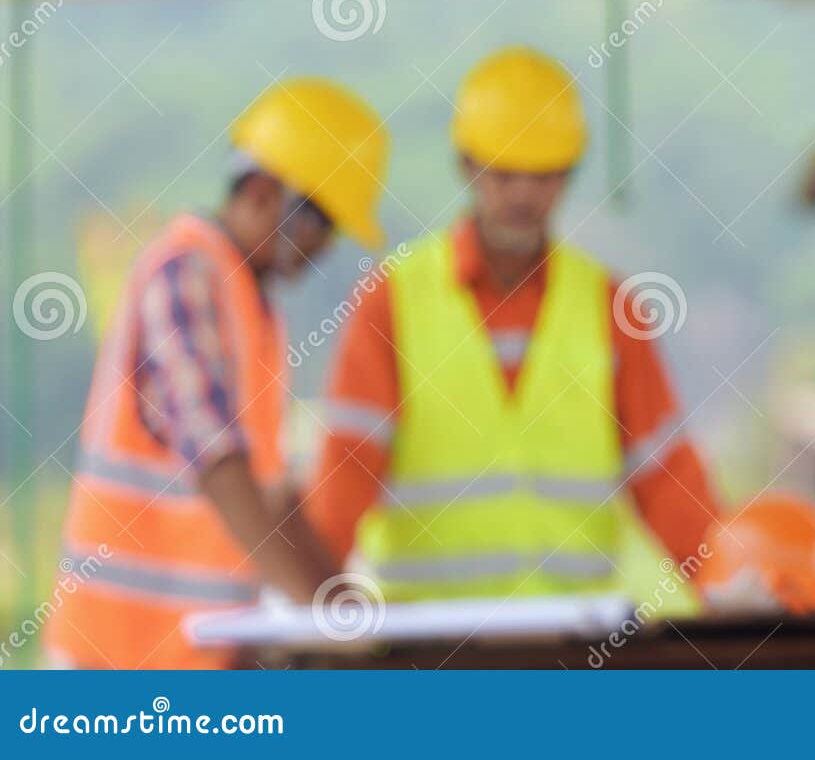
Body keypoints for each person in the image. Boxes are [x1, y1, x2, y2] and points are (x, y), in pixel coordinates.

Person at [304, 47, 720, 600]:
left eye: (544, 177)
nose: (524, 195)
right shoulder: (391, 299)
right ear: (466, 166)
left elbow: (670, 484)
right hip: (431, 659)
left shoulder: (612, 307)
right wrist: (306, 603)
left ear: (570, 174)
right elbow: (346, 473)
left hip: (572, 656)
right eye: (505, 175)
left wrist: (735, 593)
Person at [46, 78, 390, 669]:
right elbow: (218, 460)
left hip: (195, 659)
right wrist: (322, 614)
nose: (323, 247)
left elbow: (274, 499)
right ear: (261, 192)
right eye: (321, 222)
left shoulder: (255, 311)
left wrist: (341, 606)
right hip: (118, 661)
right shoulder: (186, 273)